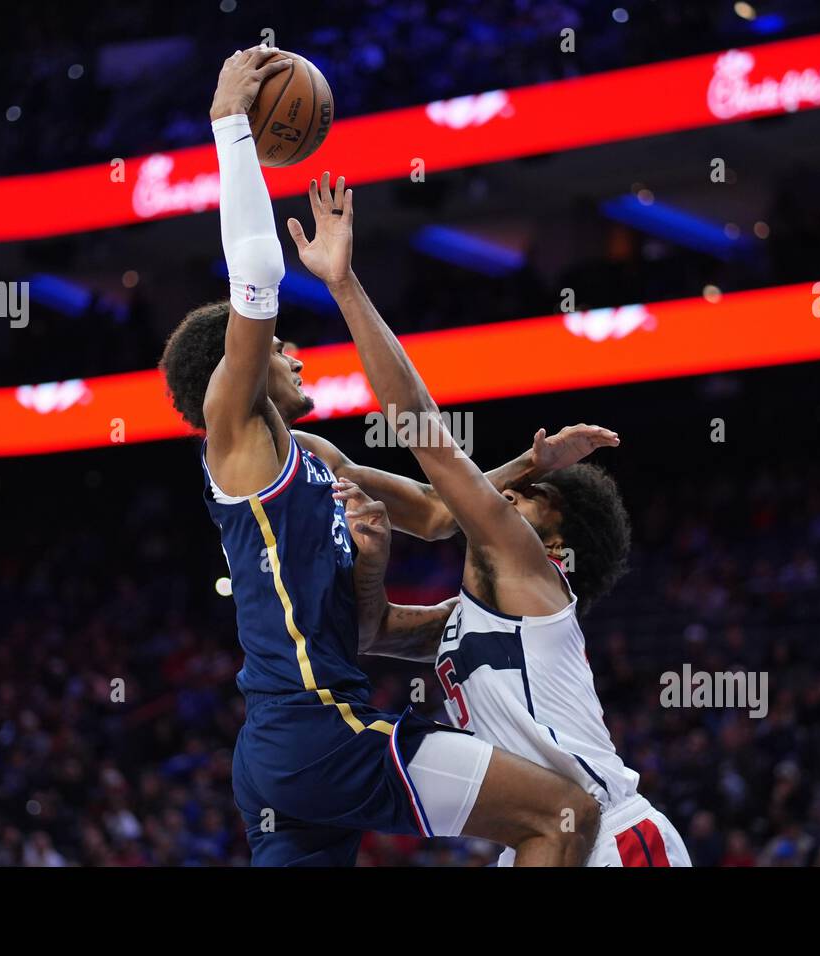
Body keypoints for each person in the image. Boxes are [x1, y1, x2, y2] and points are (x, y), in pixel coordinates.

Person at [158, 47, 602, 866]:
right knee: (564, 817)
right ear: (238, 372)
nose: (291, 352)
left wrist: (528, 467)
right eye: (276, 348)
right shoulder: (238, 440)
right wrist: (230, 124)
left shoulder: (315, 454)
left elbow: (437, 514)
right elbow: (256, 272)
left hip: (284, 754)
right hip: (318, 728)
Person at [288, 170, 690, 866]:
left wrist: (344, 285)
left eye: (529, 498)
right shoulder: (467, 618)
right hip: (542, 836)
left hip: (612, 835)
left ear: (556, 543)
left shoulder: (531, 575)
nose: (506, 498)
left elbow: (425, 435)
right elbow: (375, 622)